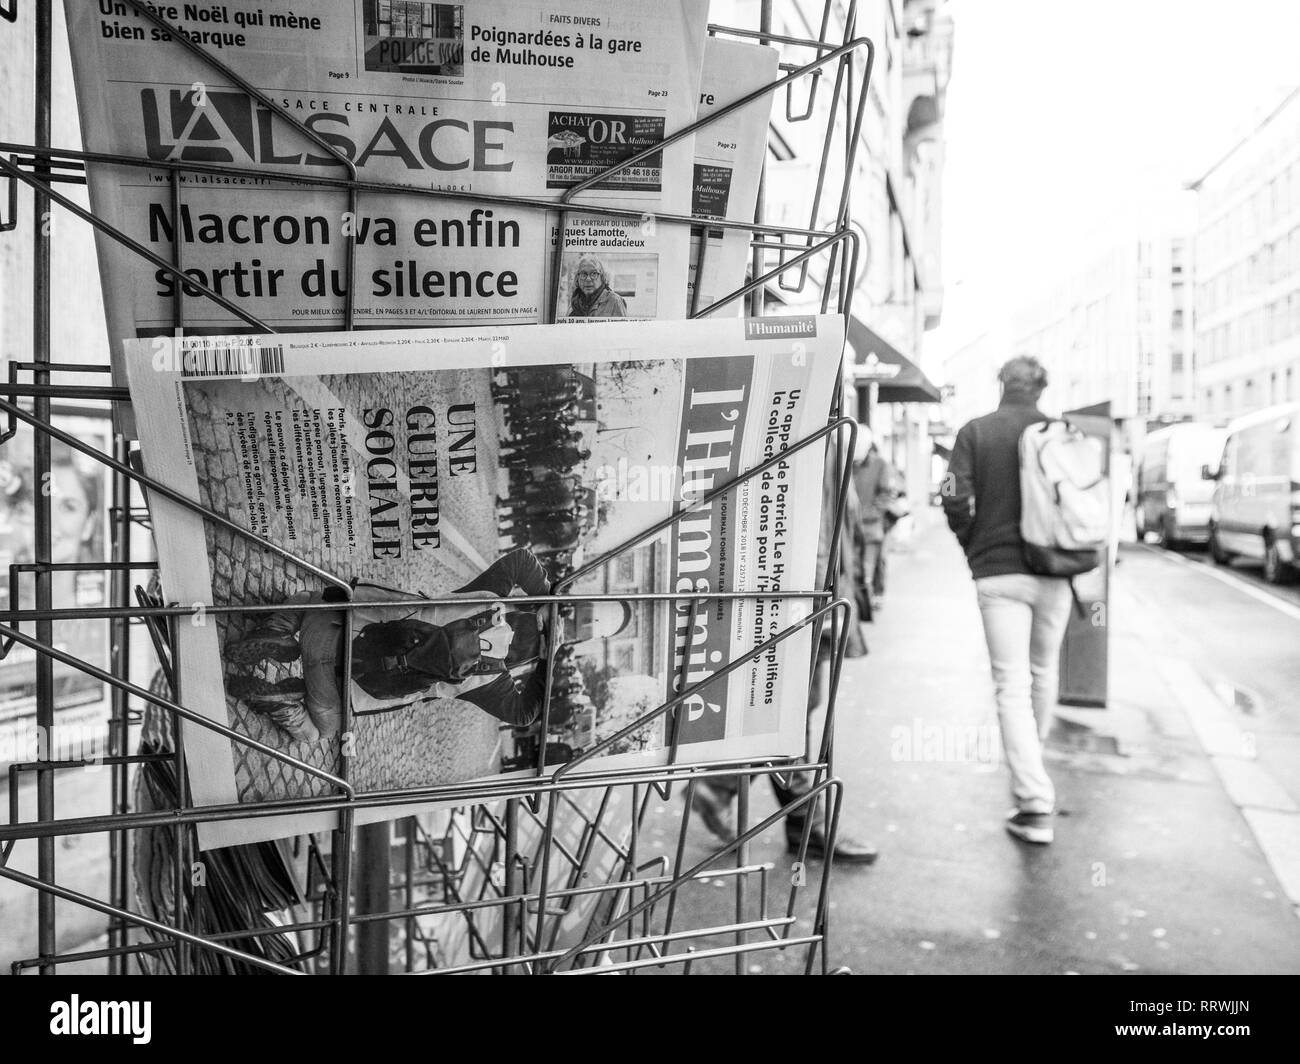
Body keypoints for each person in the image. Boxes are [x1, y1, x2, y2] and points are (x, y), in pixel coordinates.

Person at [689, 447, 878, 864]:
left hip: (816, 586)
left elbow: (839, 520)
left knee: (796, 706)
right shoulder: (814, 434)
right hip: (801, 592)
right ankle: (808, 825)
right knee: (788, 711)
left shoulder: (832, 433)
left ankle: (721, 788)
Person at [226, 547, 554, 744]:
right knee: (315, 734)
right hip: (337, 698)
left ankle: (278, 630)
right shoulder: (493, 683)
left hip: (329, 628)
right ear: (526, 661)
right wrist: (547, 663)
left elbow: (522, 560)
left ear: (527, 609)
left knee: (311, 600)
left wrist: (549, 602)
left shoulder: (487, 598)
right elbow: (525, 714)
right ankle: (286, 702)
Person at [941, 355, 1070, 845]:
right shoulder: (1061, 433)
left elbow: (952, 491)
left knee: (1011, 686)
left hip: (997, 572)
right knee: (1043, 675)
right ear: (1041, 388)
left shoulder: (976, 432)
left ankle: (1035, 801)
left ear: (1001, 384)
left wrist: (970, 540)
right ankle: (1030, 772)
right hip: (1056, 570)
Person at [850, 425, 899, 613]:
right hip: (850, 528)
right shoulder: (847, 462)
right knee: (855, 567)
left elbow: (888, 494)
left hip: (871, 528)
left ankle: (869, 600)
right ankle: (858, 605)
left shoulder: (880, 465)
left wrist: (870, 512)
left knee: (870, 566)